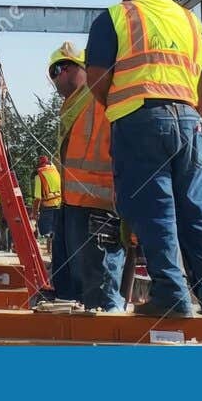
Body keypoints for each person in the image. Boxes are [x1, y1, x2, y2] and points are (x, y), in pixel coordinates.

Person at [85, 0, 202, 317]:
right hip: (189, 120)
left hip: (141, 118)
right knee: (196, 210)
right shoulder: (190, 21)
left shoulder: (117, 16)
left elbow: (97, 78)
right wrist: (195, 119)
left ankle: (171, 295)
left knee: (155, 209)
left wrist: (119, 107)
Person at [49, 42, 127, 311]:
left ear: (80, 68)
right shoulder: (73, 107)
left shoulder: (102, 97)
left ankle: (109, 339)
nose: (55, 77)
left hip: (102, 204)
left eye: (59, 68)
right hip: (75, 203)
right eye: (52, 72)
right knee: (80, 281)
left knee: (101, 283)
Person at [32, 155, 61, 241]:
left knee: (47, 233)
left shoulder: (39, 175)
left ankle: (50, 250)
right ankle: (51, 252)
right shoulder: (55, 171)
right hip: (59, 204)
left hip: (47, 207)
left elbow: (38, 198)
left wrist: (35, 212)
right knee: (56, 233)